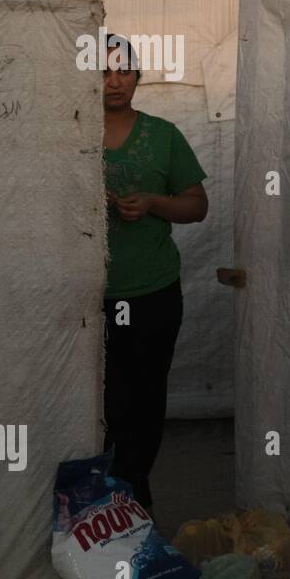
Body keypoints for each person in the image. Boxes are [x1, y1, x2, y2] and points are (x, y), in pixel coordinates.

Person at [101, 35, 208, 511]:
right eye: (103, 71)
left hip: (151, 293)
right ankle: (97, 501)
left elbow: (196, 206)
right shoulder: (66, 137)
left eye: (124, 70)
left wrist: (152, 203)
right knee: (101, 402)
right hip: (86, 299)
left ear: (138, 77)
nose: (114, 81)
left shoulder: (164, 135)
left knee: (144, 400)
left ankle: (134, 500)